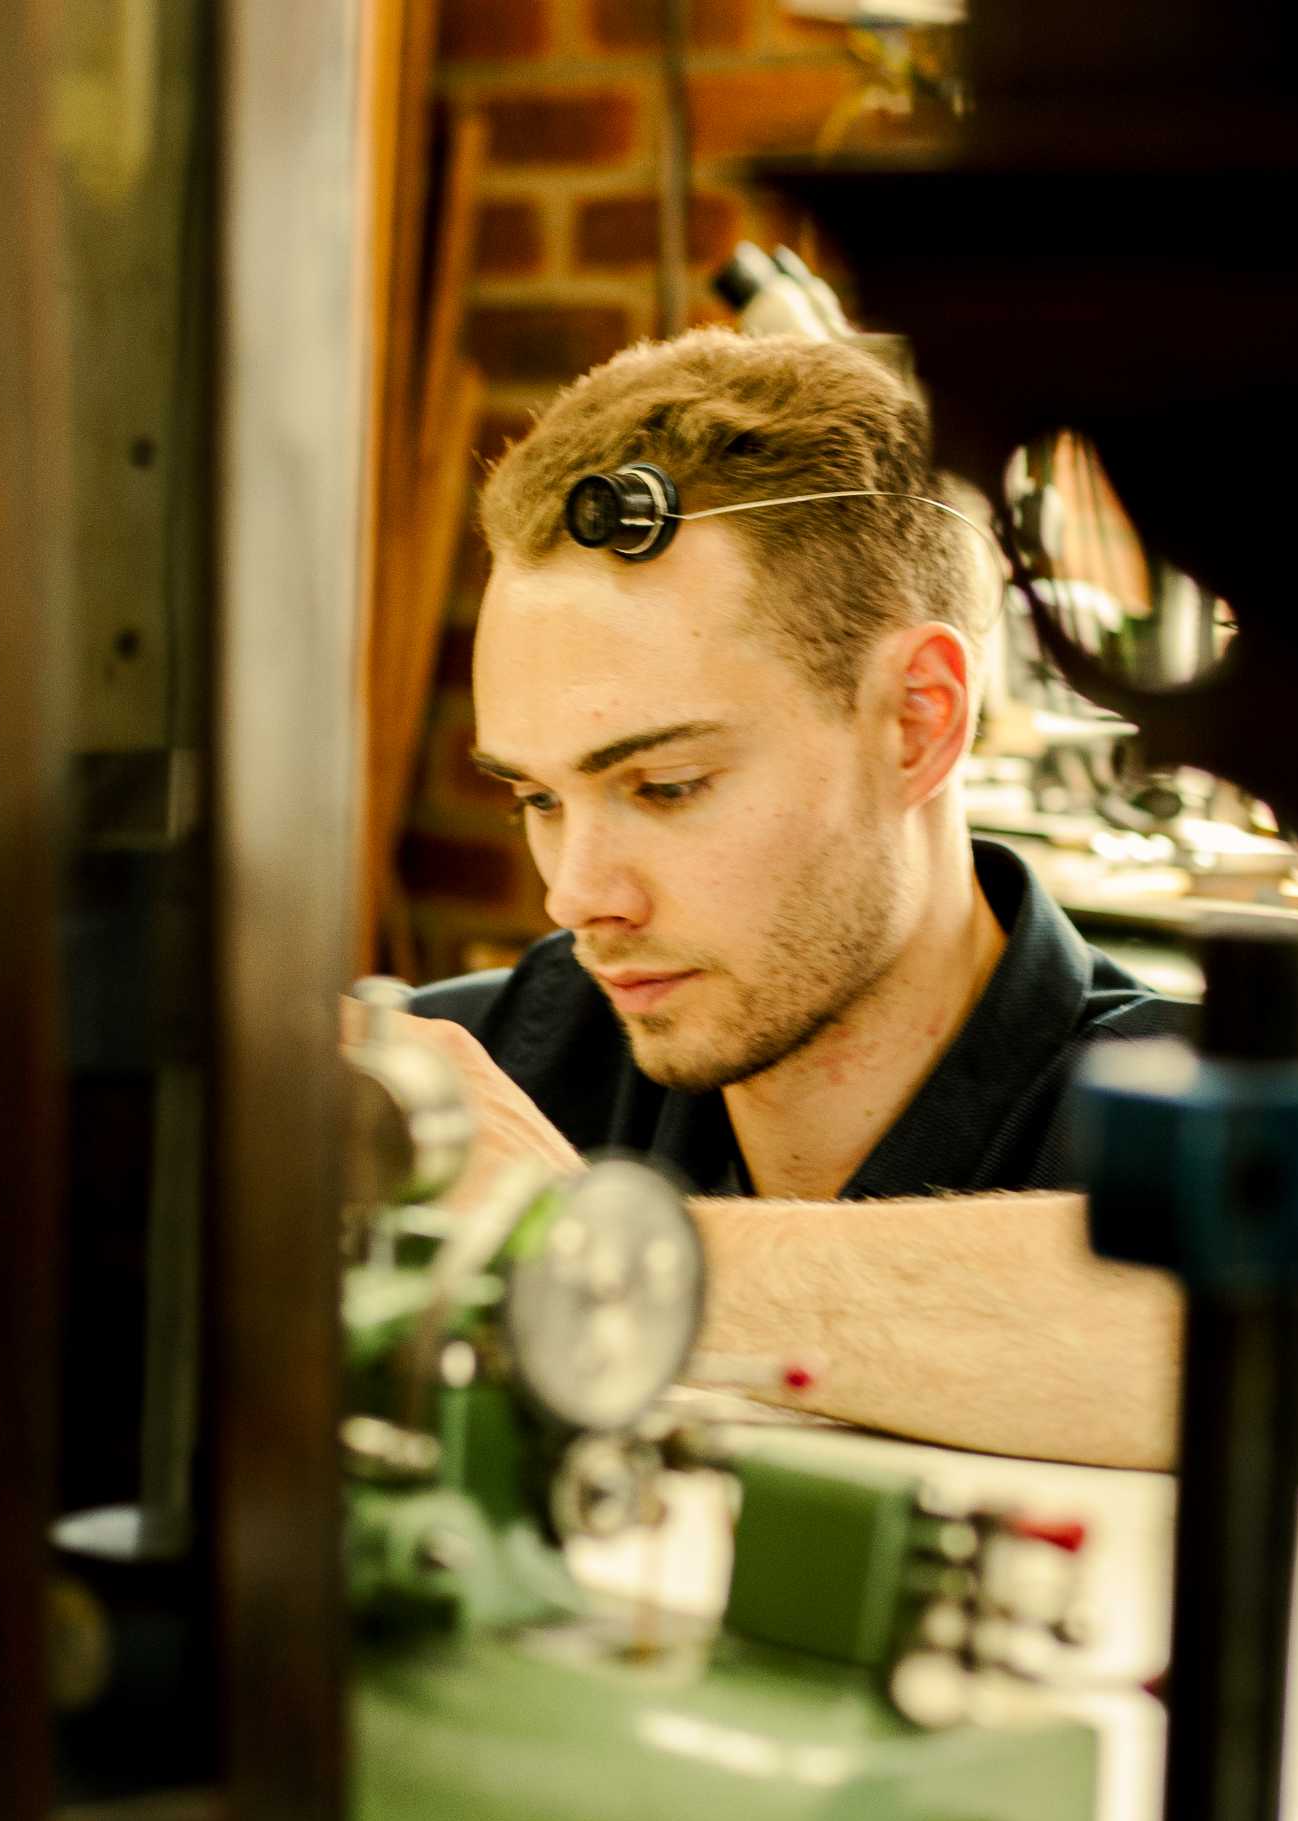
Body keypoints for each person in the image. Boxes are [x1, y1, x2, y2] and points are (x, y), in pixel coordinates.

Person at [387, 329, 1198, 1470]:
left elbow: (1246, 1337)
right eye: (538, 795)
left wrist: (582, 1251)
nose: (576, 894)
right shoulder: (507, 1064)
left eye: (666, 786)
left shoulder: (1194, 1118)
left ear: (918, 720)